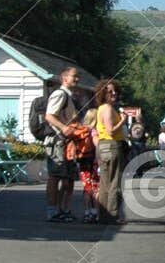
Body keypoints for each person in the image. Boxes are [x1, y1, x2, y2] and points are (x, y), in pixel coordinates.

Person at [43, 67, 88, 222]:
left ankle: (62, 210)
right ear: (64, 78)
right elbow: (49, 115)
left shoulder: (69, 97)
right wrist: (64, 128)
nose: (77, 79)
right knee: (55, 177)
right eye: (74, 76)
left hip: (67, 143)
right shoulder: (59, 94)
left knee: (67, 178)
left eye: (78, 77)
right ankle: (52, 211)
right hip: (57, 142)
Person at [94, 80, 128, 224]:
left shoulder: (102, 108)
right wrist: (123, 120)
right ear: (103, 93)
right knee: (115, 181)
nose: (114, 93)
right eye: (110, 91)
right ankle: (112, 215)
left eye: (115, 91)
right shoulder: (107, 108)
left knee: (105, 183)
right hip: (112, 145)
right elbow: (111, 131)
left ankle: (103, 215)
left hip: (104, 146)